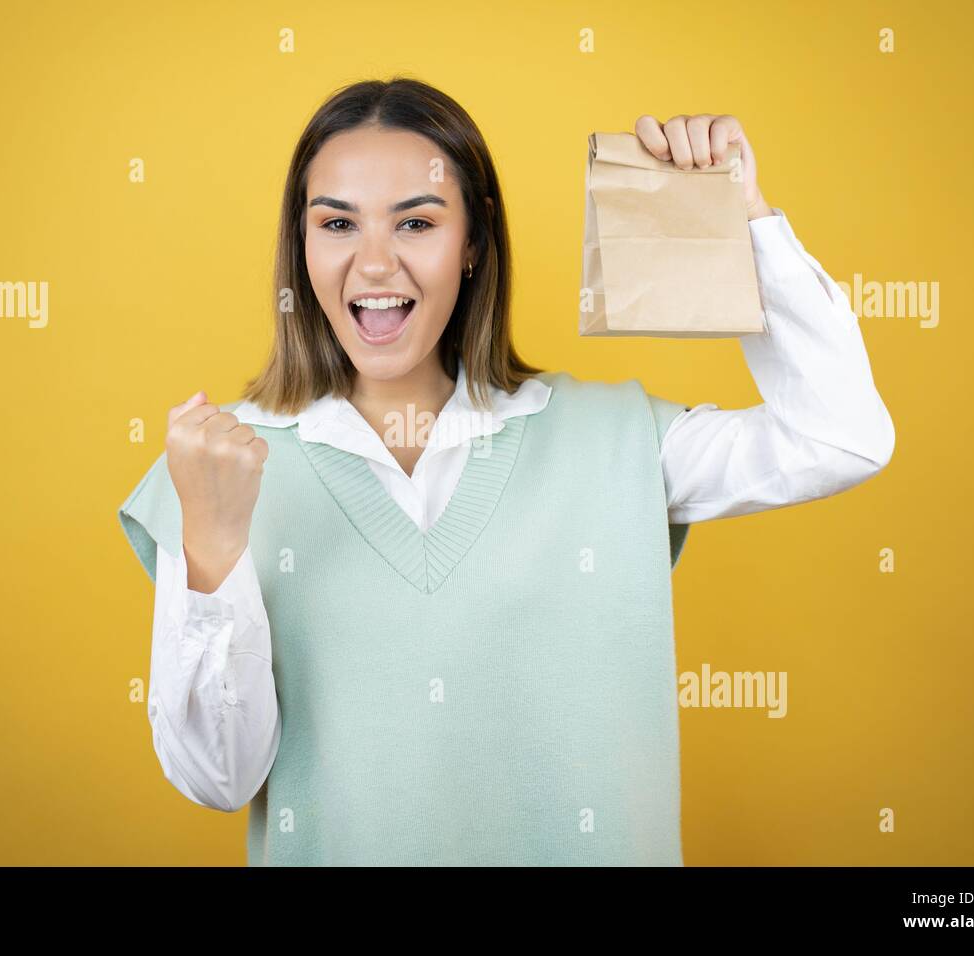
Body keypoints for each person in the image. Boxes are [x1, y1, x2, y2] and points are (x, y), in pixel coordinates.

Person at [117, 77, 894, 865]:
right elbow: (220, 777)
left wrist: (746, 220)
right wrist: (213, 543)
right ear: (302, 245)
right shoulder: (223, 465)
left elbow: (841, 437)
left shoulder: (614, 439)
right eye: (338, 223)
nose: (374, 262)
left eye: (416, 222)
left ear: (474, 244)